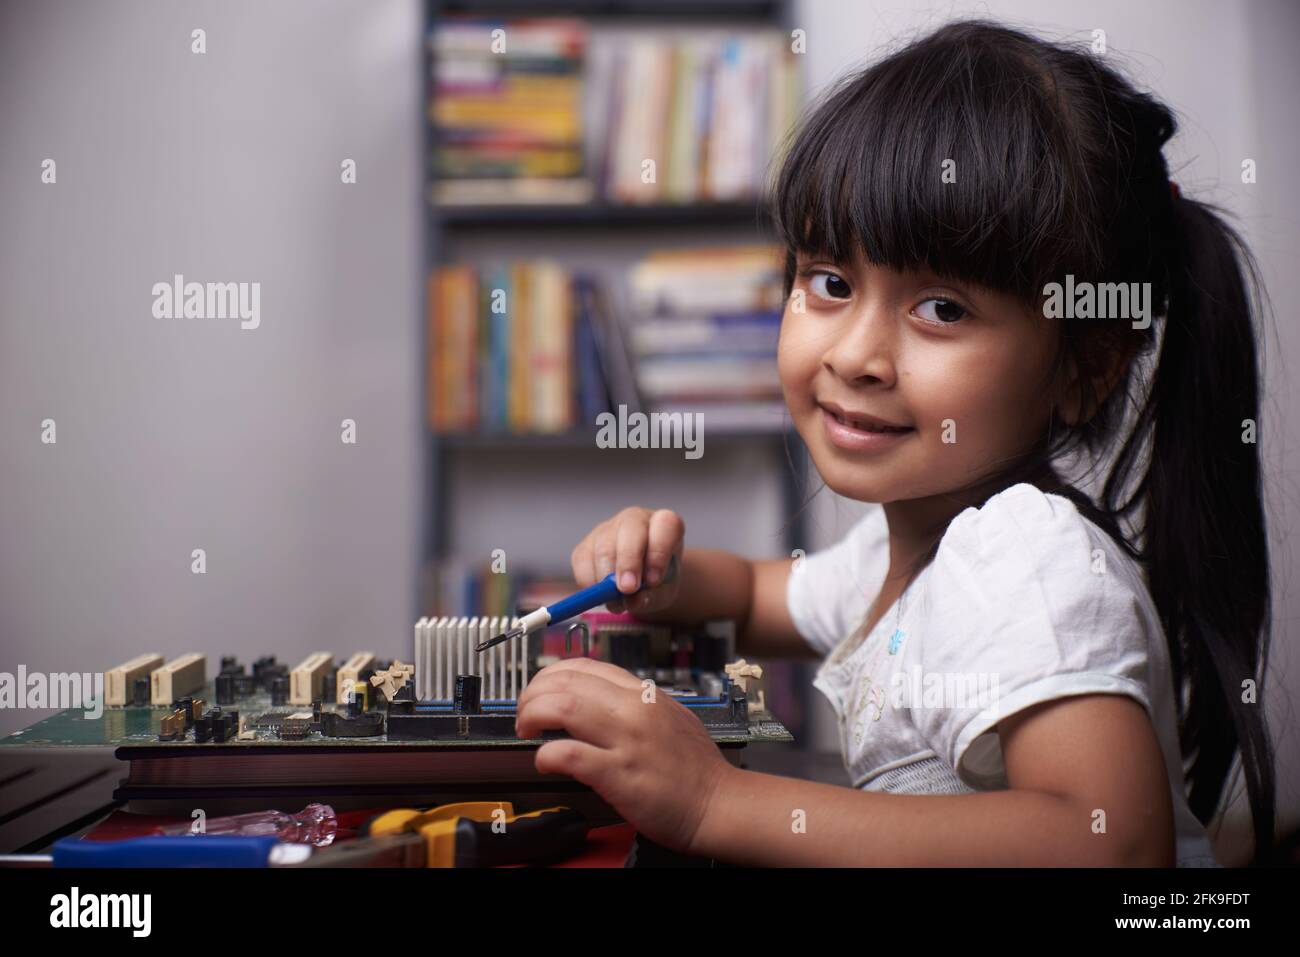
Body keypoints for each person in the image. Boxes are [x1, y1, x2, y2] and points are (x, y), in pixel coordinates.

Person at [515, 20, 1276, 866]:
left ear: (1085, 367)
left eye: (942, 309)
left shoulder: (1026, 556)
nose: (855, 356)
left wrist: (713, 799)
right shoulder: (913, 543)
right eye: (831, 283)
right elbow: (763, 597)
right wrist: (661, 574)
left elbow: (1110, 840)